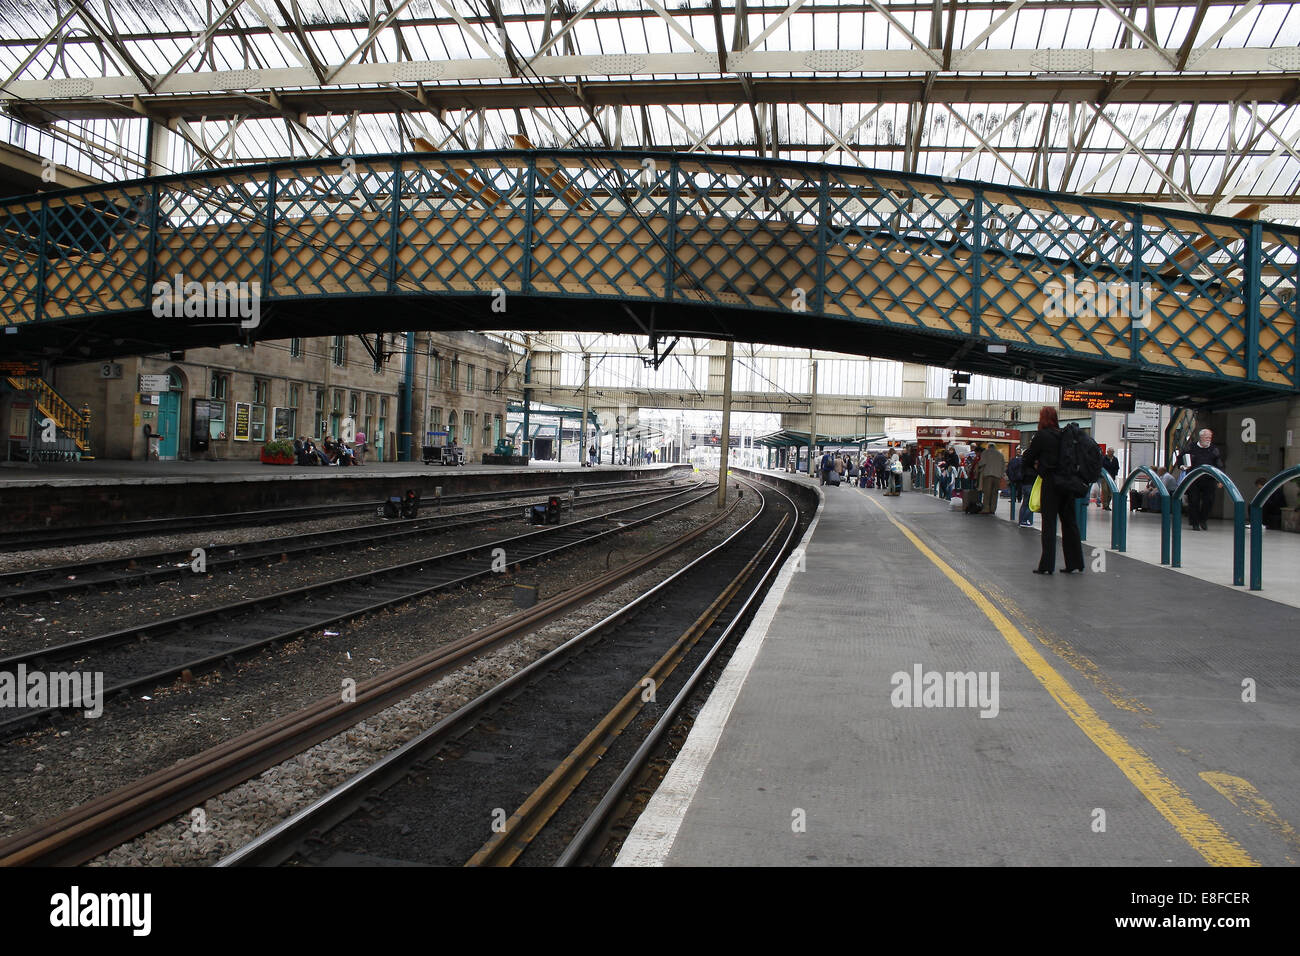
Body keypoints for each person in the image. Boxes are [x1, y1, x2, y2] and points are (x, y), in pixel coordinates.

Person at [1021, 406, 1085, 575]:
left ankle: (1047, 565)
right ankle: (1075, 562)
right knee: (1070, 523)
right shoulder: (1064, 435)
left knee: (1049, 524)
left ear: (1042, 418)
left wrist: (1038, 468)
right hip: (1068, 484)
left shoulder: (1042, 436)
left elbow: (1028, 458)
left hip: (1051, 483)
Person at [1181, 428, 1224, 531]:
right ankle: (1195, 523)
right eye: (1206, 437)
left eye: (1210, 437)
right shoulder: (1191, 447)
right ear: (1201, 437)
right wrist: (1182, 466)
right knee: (1194, 501)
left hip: (1208, 479)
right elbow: (1182, 457)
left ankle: (1203, 520)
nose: (1208, 439)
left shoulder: (1214, 449)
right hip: (1193, 479)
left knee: (1209, 501)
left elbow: (1219, 464)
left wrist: (1220, 479)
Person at [975, 443, 1005, 515]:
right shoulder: (1000, 454)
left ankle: (986, 509)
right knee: (995, 493)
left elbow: (982, 462)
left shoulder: (986, 452)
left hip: (988, 474)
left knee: (987, 493)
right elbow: (1003, 466)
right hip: (997, 476)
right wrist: (1001, 475)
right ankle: (993, 509)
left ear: (988, 447)